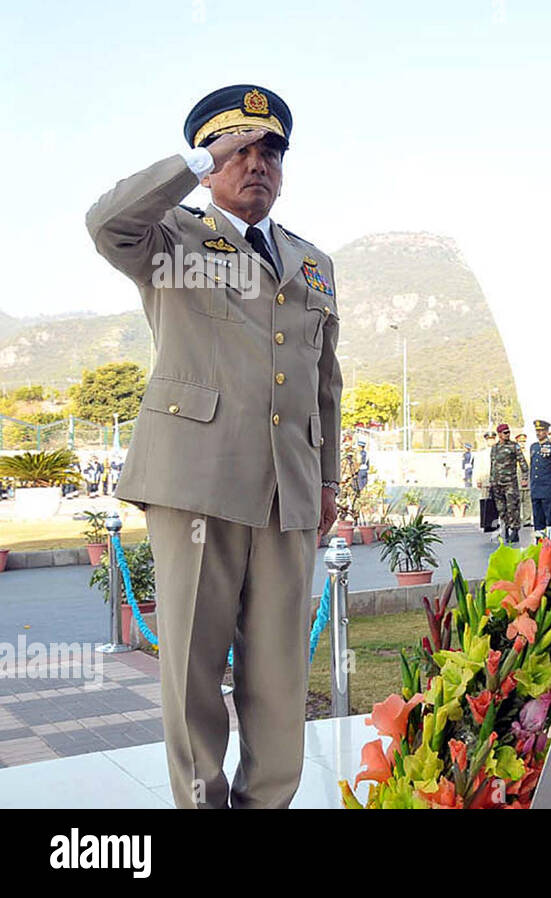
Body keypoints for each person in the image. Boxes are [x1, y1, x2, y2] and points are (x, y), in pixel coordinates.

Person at [86, 84, 342, 809]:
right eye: (238, 149)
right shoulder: (169, 237)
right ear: (210, 159)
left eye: (270, 151)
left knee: (280, 675)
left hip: (287, 494)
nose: (255, 163)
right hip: (195, 483)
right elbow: (105, 223)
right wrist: (194, 161)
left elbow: (326, 384)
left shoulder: (312, 262)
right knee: (193, 674)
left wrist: (326, 482)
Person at [488, 423, 527, 542]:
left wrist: (524, 477)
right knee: (501, 508)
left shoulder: (514, 446)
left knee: (512, 507)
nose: (507, 434)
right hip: (497, 483)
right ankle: (505, 529)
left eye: (508, 432)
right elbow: (492, 465)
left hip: (510, 483)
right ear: (499, 434)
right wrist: (491, 481)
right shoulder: (494, 448)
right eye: (505, 433)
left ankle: (514, 531)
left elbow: (523, 463)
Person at [528, 419, 551, 528]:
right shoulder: (533, 447)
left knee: (549, 520)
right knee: (537, 519)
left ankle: (549, 543)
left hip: (548, 488)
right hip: (536, 488)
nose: (538, 433)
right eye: (537, 430)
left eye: (541, 430)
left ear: (547, 431)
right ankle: (539, 542)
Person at [515, 432, 532, 527]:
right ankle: (517, 520)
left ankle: (527, 520)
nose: (522, 443)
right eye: (520, 441)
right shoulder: (514, 452)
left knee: (527, 502)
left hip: (528, 481)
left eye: (524, 441)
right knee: (517, 503)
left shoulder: (529, 453)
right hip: (517, 481)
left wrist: (526, 479)